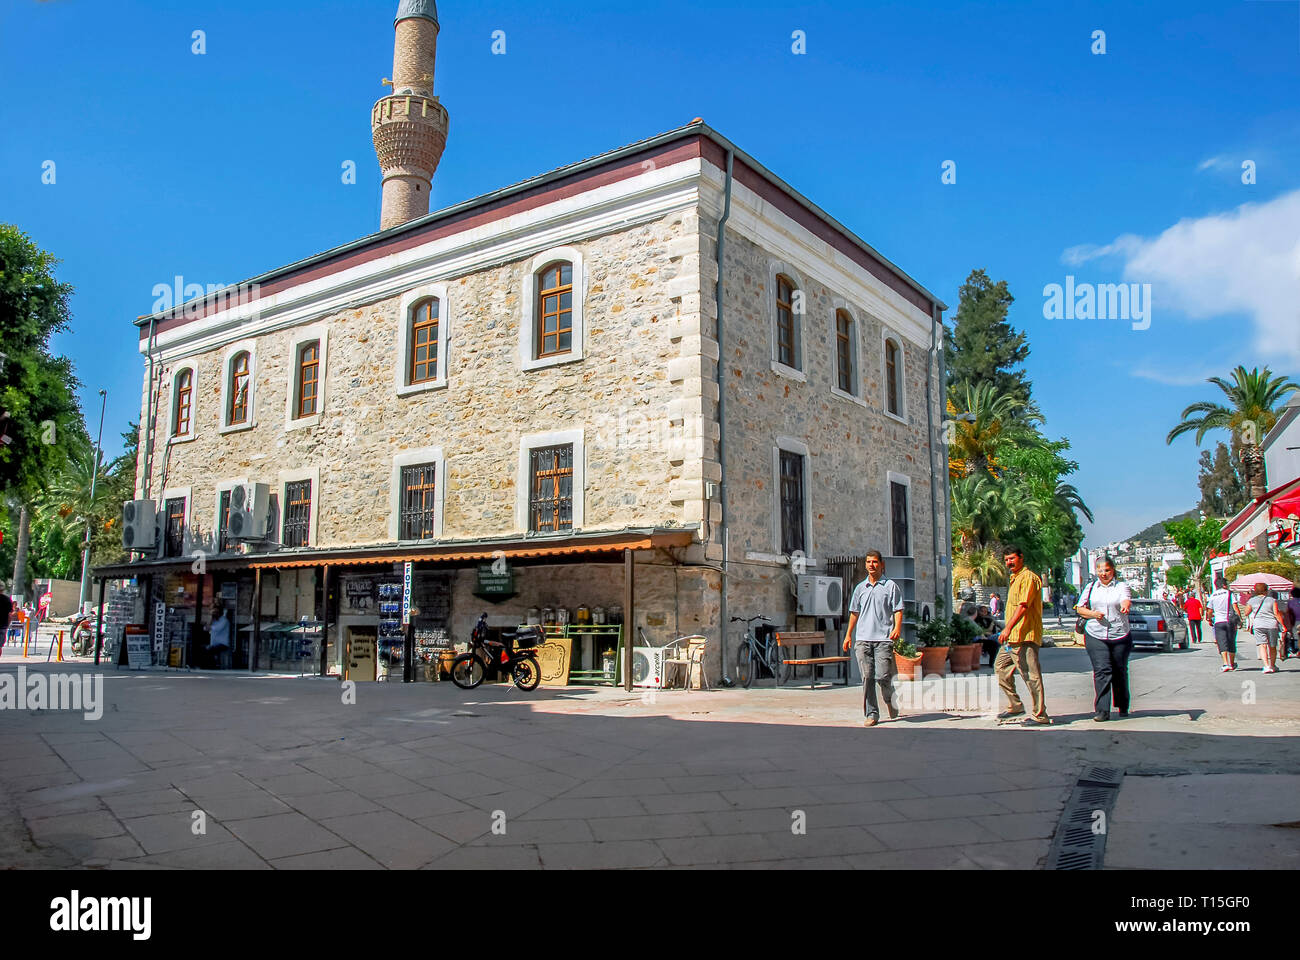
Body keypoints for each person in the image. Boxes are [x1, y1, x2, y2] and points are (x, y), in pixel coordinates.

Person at [842, 550, 904, 727]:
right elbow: (854, 613)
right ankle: (872, 713)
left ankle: (890, 700)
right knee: (867, 677)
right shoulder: (860, 588)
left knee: (883, 676)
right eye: (868, 562)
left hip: (883, 639)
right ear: (865, 565)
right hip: (863, 639)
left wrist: (897, 628)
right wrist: (848, 635)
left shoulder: (890, 586)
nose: (871, 565)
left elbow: (898, 609)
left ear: (881, 564)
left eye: (875, 562)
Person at [995, 545, 1051, 726]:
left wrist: (1007, 628)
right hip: (1012, 639)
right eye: (1006, 560)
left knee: (1031, 675)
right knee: (1001, 667)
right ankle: (1015, 704)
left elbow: (1023, 606)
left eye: (1012, 558)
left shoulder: (1029, 578)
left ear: (1021, 557)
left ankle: (1040, 714)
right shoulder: (1014, 578)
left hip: (1024, 635)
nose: (1009, 562)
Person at [1075, 557, 1133, 722]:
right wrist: (1093, 614)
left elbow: (1125, 599)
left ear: (1112, 570)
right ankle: (1102, 711)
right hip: (1096, 634)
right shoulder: (1091, 587)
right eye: (1100, 570)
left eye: (1106, 570)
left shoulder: (1121, 586)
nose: (1103, 574)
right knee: (1102, 671)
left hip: (1119, 634)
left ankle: (1122, 705)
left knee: (1119, 670)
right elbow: (1080, 608)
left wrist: (1125, 605)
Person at [1244, 583, 1285, 674]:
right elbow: (1276, 614)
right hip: (1271, 625)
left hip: (1258, 625)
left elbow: (1246, 613)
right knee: (1272, 646)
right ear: (1266, 590)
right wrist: (1283, 625)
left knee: (1262, 645)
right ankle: (1272, 665)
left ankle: (1266, 666)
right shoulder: (1272, 600)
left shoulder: (1252, 601)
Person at [1207, 576, 1241, 672]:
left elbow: (1209, 610)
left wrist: (1209, 619)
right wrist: (1239, 619)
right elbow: (1235, 607)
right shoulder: (1229, 594)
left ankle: (1225, 663)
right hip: (1230, 621)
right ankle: (1232, 663)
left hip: (1218, 622)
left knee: (1222, 642)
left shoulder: (1213, 595)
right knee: (1231, 641)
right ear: (1224, 585)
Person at [208, 605, 232, 669]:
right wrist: (211, 620)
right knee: (206, 648)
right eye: (213, 612)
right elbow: (205, 628)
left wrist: (210, 627)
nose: (214, 614)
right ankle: (210, 665)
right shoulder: (214, 621)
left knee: (210, 650)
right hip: (214, 643)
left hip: (223, 643)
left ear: (219, 613)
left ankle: (215, 665)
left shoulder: (224, 620)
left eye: (215, 612)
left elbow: (217, 628)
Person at [1284, 588, 1300, 661]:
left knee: (1295, 636)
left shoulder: (1290, 602)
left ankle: (1296, 650)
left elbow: (1287, 613)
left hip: (1293, 621)